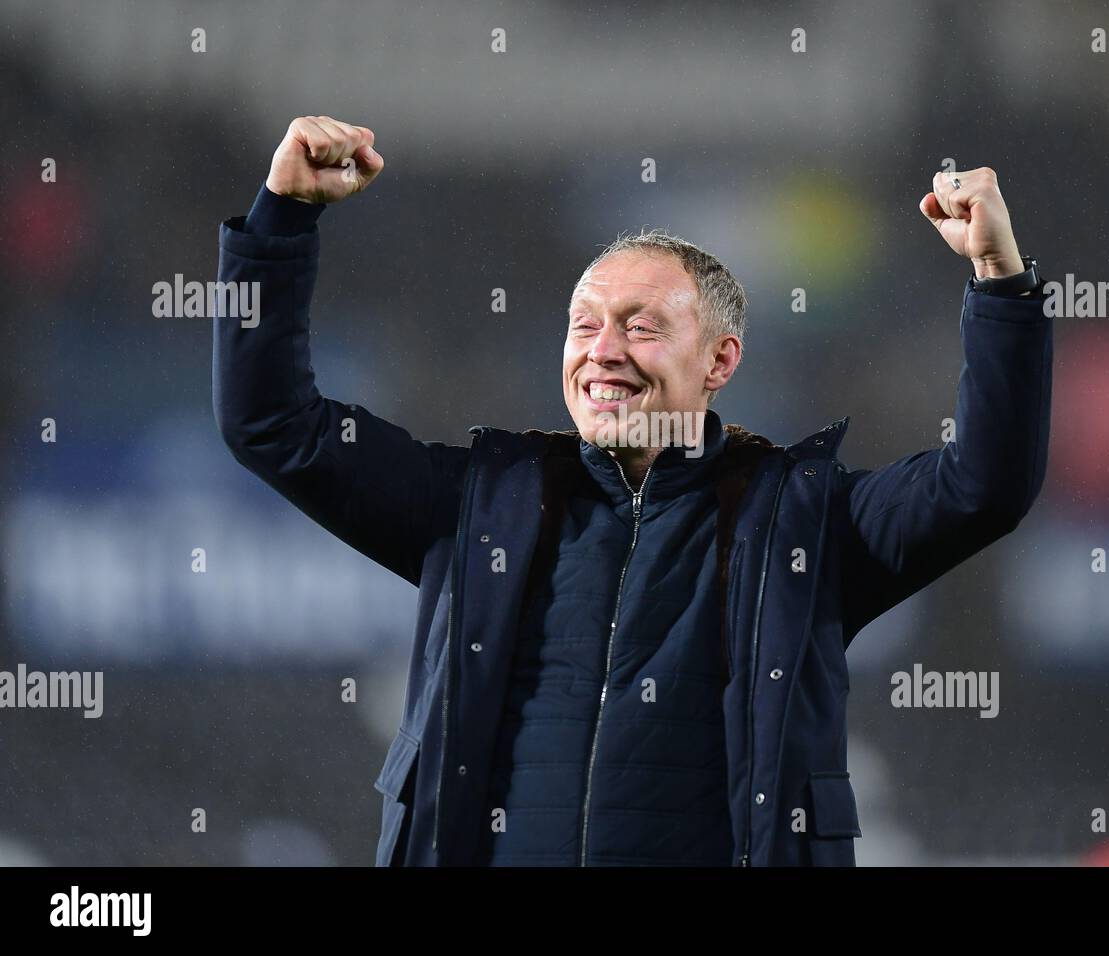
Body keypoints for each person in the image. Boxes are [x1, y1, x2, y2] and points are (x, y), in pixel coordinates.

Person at [213, 115, 1053, 866]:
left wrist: (998, 281)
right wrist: (282, 219)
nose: (603, 350)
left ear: (720, 361)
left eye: (642, 326)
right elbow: (275, 427)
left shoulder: (803, 522)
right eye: (585, 325)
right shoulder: (480, 504)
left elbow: (984, 485)